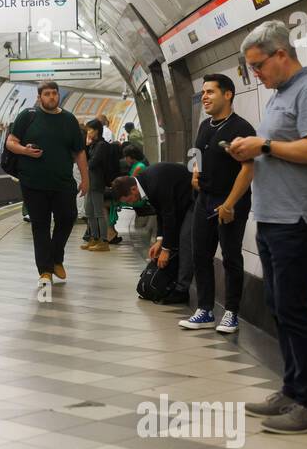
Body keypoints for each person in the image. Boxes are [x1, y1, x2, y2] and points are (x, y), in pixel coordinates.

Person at [227, 20, 307, 434]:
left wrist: (265, 145)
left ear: (280, 54)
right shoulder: (279, 95)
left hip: (300, 219)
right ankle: (292, 389)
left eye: (258, 65)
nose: (256, 74)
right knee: (279, 307)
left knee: (293, 309)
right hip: (274, 217)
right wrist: (251, 149)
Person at [180, 73, 255, 334]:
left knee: (231, 256)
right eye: (203, 92)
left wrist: (230, 204)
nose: (205, 97)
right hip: (205, 199)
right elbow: (195, 152)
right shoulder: (204, 125)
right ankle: (205, 310)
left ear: (228, 94)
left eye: (210, 92)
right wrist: (194, 172)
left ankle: (232, 312)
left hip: (230, 201)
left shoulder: (242, 129)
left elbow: (248, 169)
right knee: (200, 253)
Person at [6, 81, 88, 288]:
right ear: (39, 96)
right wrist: (25, 150)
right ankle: (44, 271)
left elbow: (79, 151)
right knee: (40, 226)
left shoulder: (69, 120)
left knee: (68, 218)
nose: (51, 97)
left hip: (62, 182)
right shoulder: (28, 116)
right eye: (47, 94)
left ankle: (56, 257)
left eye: (54, 93)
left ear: (58, 95)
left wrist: (86, 179)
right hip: (33, 183)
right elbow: (10, 142)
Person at [110, 161, 192, 292]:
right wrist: (160, 241)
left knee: (185, 240)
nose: (131, 203)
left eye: (129, 200)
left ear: (133, 189)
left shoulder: (154, 183)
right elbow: (160, 212)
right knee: (177, 240)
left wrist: (166, 249)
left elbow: (168, 215)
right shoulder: (146, 182)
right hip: (181, 204)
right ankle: (175, 282)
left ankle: (182, 289)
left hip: (193, 201)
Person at [80, 120, 115, 253]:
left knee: (98, 213)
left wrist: (86, 161)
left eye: (90, 130)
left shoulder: (102, 145)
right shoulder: (93, 144)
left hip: (97, 182)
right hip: (90, 181)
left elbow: (93, 163)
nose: (88, 132)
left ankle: (104, 241)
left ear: (97, 130)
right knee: (89, 212)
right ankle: (94, 238)